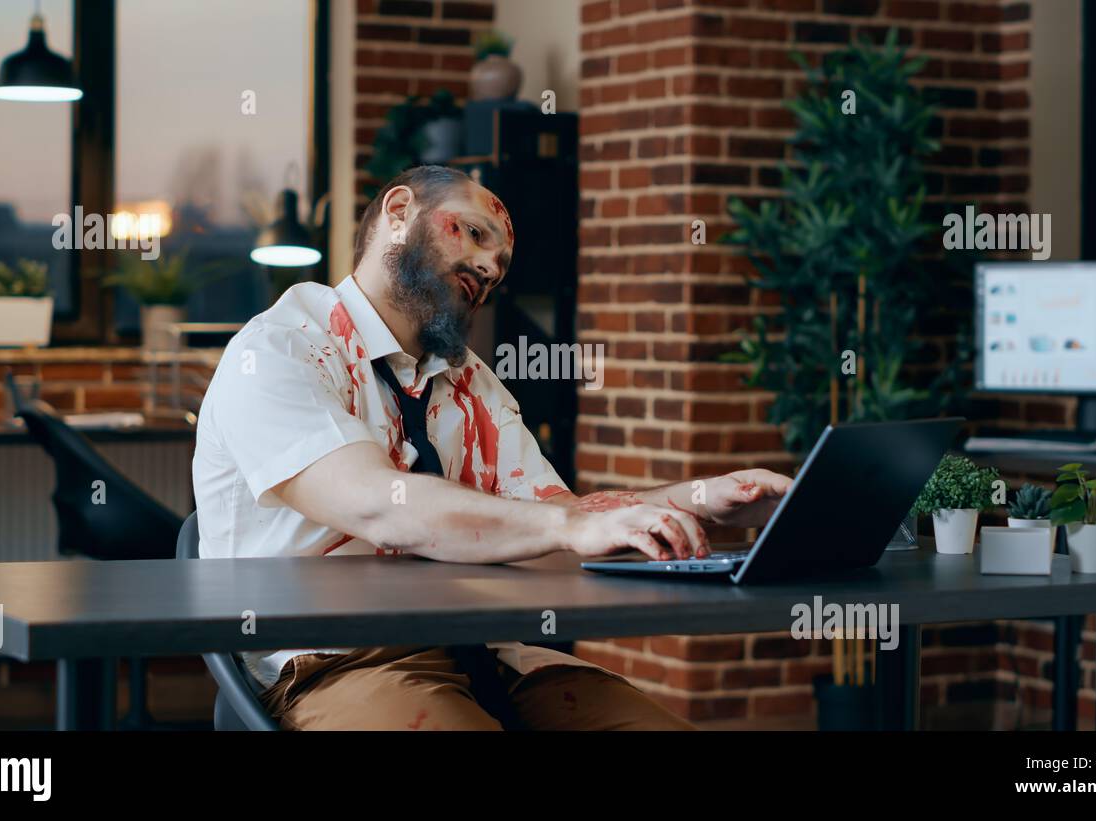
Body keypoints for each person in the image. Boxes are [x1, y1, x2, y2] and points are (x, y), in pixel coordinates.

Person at [192, 165, 793, 730]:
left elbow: (555, 528)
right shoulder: (279, 347)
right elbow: (378, 504)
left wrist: (698, 501)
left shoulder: (471, 382)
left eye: (500, 263)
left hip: (489, 650)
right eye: (473, 234)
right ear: (398, 211)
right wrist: (565, 526)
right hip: (338, 657)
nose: (489, 267)